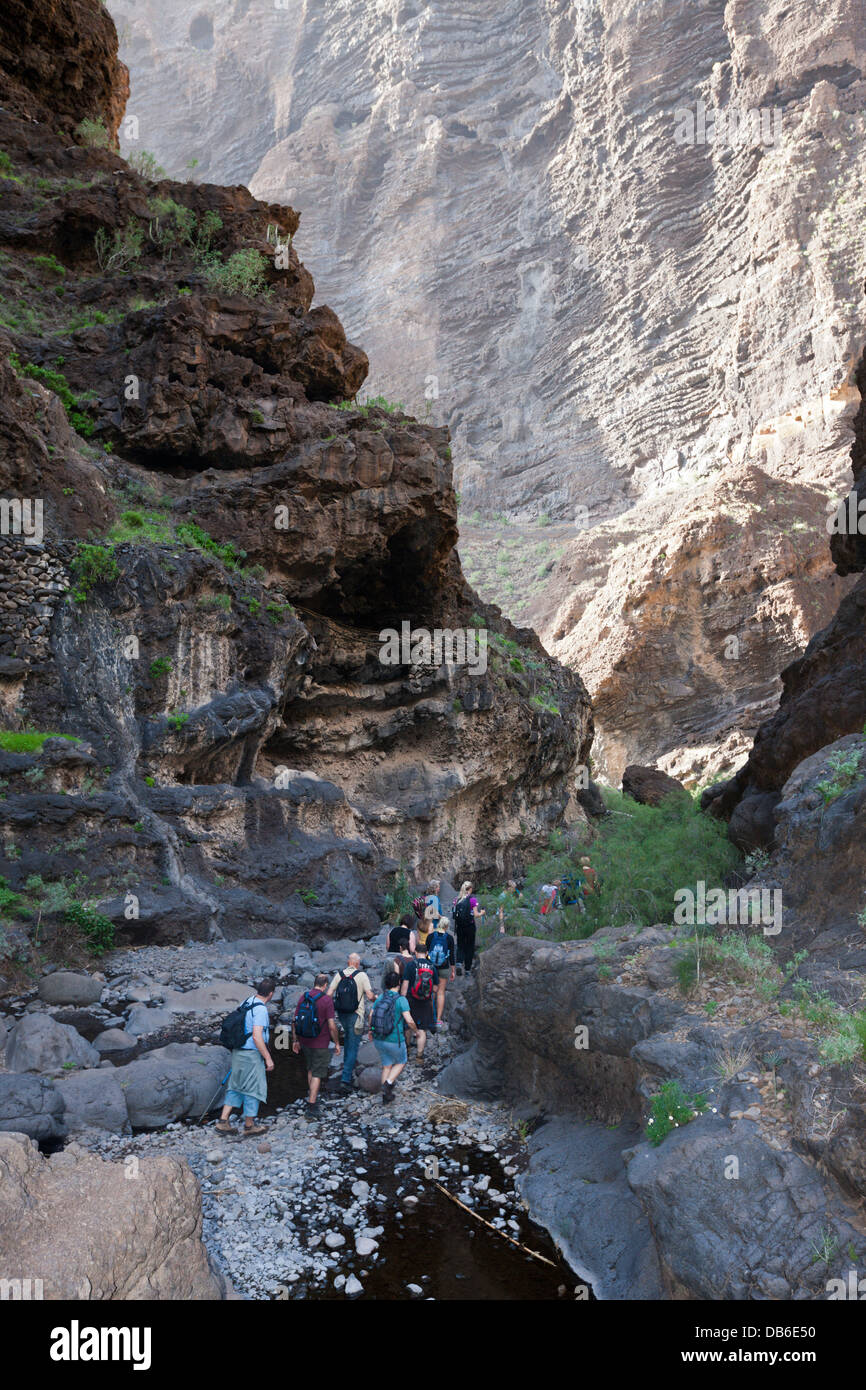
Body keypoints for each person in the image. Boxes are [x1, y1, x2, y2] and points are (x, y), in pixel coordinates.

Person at [216, 978, 275, 1138]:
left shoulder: (248, 1001)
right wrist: (268, 1058)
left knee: (235, 1085)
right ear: (271, 994)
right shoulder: (261, 1010)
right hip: (251, 1054)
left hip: (238, 1051)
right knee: (253, 1089)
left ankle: (223, 1121)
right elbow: (257, 1037)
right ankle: (249, 1126)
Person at [292, 972, 340, 1119]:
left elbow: (295, 1021)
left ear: (314, 983)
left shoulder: (304, 997)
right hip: (320, 1042)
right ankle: (312, 1107)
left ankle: (312, 1095)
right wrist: (337, 1043)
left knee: (311, 1069)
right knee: (318, 1073)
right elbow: (331, 1025)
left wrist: (295, 1040)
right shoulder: (326, 1000)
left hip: (305, 1040)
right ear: (325, 985)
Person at [369, 967, 419, 1103]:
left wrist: (370, 1030)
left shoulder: (380, 998)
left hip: (379, 1038)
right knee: (402, 1061)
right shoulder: (401, 1000)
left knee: (386, 1065)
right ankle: (388, 1084)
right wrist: (416, 1031)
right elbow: (409, 1020)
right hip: (394, 1039)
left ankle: (386, 1097)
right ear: (399, 984)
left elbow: (371, 1015)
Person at [327, 952, 374, 1092]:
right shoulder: (362, 975)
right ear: (357, 963)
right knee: (353, 1045)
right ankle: (345, 1080)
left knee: (348, 1040)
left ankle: (347, 1068)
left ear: (348, 962)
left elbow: (329, 994)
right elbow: (370, 995)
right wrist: (378, 999)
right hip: (356, 1015)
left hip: (341, 1014)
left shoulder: (339, 975)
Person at [400, 939, 438, 1061]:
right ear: (426, 953)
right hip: (425, 1001)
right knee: (422, 1029)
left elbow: (405, 986)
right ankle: (419, 1057)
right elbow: (436, 988)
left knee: (408, 1026)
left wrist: (402, 1000)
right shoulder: (432, 966)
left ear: (415, 952)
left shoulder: (411, 965)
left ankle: (408, 1049)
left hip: (411, 999)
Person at [427, 915, 456, 1027]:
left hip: (430, 968)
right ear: (447, 926)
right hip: (444, 968)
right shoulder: (449, 938)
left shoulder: (430, 937)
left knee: (430, 991)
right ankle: (438, 1020)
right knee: (440, 992)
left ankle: (428, 1017)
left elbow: (426, 952)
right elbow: (452, 956)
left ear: (438, 924)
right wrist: (452, 971)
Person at [452, 880, 484, 974]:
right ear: (470, 889)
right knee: (469, 947)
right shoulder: (472, 900)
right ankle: (467, 969)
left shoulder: (456, 899)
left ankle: (458, 962)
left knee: (460, 945)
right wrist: (482, 913)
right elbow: (476, 914)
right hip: (470, 926)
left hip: (459, 926)